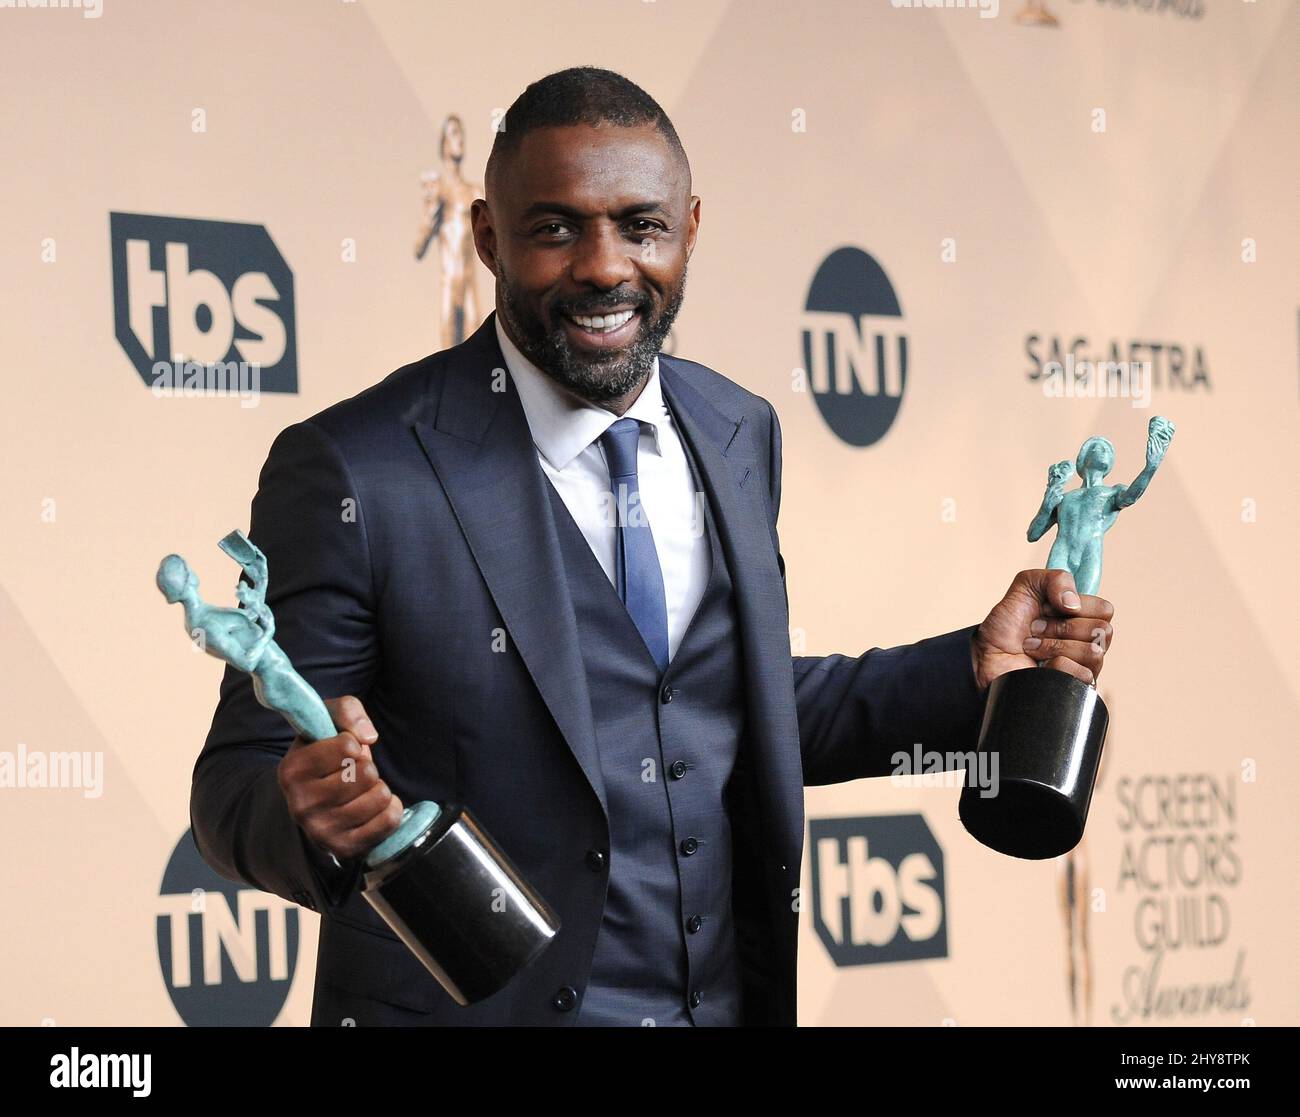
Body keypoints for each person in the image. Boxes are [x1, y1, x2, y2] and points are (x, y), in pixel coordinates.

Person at [191, 66, 1114, 1027]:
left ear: (691, 229)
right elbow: (233, 789)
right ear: (488, 237)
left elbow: (718, 709)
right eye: (555, 228)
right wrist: (310, 818)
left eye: (641, 226)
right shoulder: (358, 469)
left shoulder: (735, 429)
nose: (604, 266)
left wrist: (974, 669)